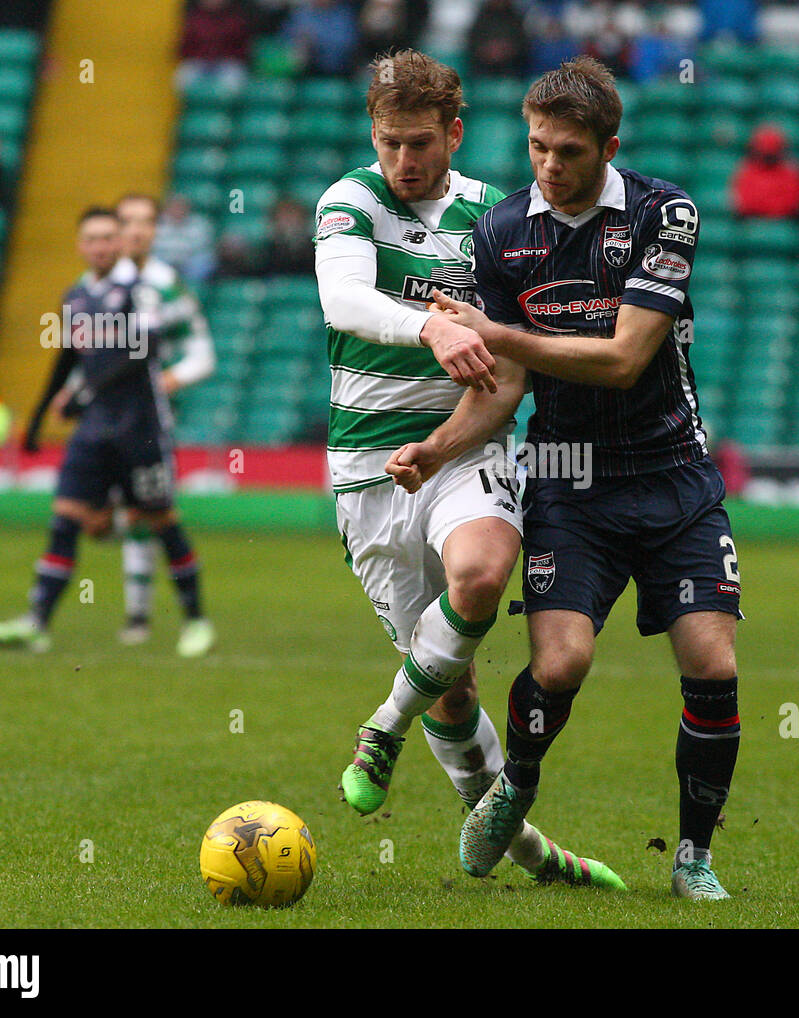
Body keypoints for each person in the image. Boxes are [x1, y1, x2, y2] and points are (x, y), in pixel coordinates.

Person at [424, 56, 742, 900]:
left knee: (711, 664)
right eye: (537, 148)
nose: (550, 166)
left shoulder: (663, 212)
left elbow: (624, 358)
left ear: (609, 145)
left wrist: (498, 332)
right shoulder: (499, 234)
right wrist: (438, 448)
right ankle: (516, 784)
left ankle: (694, 857)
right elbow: (506, 390)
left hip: (675, 473)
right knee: (559, 666)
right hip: (567, 478)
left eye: (568, 151)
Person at [313, 48, 623, 889]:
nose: (403, 162)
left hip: (466, 446)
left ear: (455, 133)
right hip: (370, 469)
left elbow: (524, 353)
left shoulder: (498, 215)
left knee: (484, 576)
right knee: (453, 692)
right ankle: (535, 855)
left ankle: (380, 726)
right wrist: (435, 330)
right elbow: (342, 300)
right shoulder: (351, 199)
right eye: (389, 144)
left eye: (419, 143)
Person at [0, 208, 216, 657]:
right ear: (81, 245)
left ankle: (196, 621)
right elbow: (67, 357)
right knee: (65, 516)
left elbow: (141, 351)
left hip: (140, 427)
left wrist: (85, 391)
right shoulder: (75, 297)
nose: (101, 246)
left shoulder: (140, 291)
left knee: (160, 519)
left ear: (120, 243)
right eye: (93, 238)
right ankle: (37, 622)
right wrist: (35, 419)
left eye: (109, 238)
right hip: (94, 429)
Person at [107, 193, 217, 646]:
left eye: (146, 222)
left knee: (154, 515)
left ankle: (185, 618)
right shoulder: (97, 286)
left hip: (150, 422)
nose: (137, 230)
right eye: (128, 221)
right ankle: (137, 617)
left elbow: (204, 355)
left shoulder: (169, 286)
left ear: (155, 230)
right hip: (107, 421)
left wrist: (169, 378)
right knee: (117, 517)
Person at [730, 123, 799, 220]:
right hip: (753, 222)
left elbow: (795, 201)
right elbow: (744, 202)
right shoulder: (747, 172)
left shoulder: (792, 172)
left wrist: (771, 210)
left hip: (784, 221)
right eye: (765, 152)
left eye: (772, 152)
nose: (768, 156)